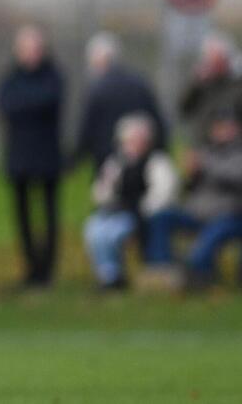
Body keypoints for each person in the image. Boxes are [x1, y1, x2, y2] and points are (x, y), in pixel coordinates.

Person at [0, 25, 64, 287]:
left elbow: (48, 101)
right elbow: (5, 104)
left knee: (48, 215)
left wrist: (25, 105)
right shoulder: (10, 78)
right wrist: (29, 105)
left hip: (46, 157)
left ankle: (48, 270)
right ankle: (30, 268)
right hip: (20, 157)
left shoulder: (53, 76)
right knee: (22, 215)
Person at [146, 108, 242, 289]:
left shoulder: (236, 154)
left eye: (227, 127)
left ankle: (198, 275)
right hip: (197, 214)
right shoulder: (205, 151)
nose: (222, 131)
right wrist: (191, 174)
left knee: (211, 237)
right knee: (162, 217)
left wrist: (205, 166)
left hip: (230, 216)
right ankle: (165, 270)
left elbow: (236, 178)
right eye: (219, 127)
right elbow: (188, 190)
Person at [82, 114, 178, 290]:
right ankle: (108, 275)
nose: (133, 144)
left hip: (138, 215)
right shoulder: (116, 163)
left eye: (138, 140)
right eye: (129, 140)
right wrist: (107, 198)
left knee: (113, 233)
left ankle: (115, 275)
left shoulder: (156, 162)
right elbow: (101, 191)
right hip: (115, 211)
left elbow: (163, 193)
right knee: (94, 230)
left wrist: (142, 209)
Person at [73, 32, 167, 171]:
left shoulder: (96, 90)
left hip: (106, 158)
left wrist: (76, 157)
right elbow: (157, 121)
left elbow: (87, 128)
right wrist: (161, 148)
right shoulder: (140, 83)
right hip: (141, 158)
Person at [178, 32, 242, 148]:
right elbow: (184, 109)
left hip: (234, 150)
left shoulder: (237, 86)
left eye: (216, 61)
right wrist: (196, 85)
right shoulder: (201, 85)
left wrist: (232, 130)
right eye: (209, 61)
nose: (212, 66)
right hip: (204, 145)